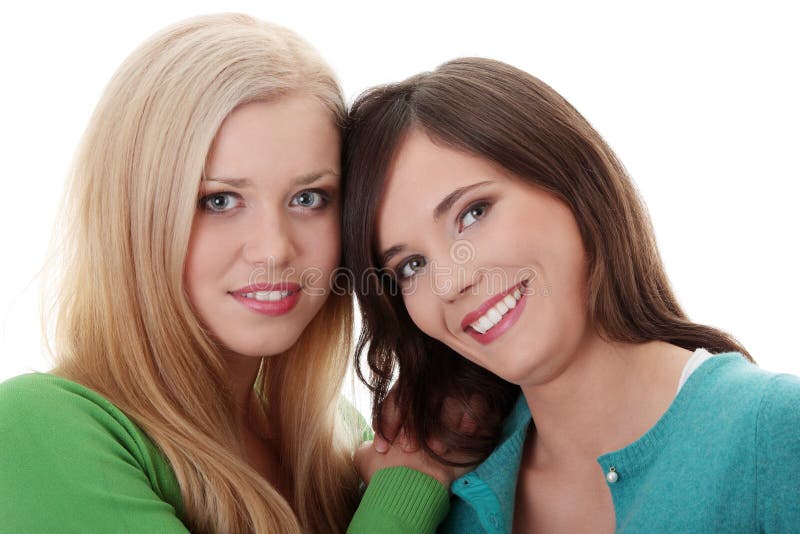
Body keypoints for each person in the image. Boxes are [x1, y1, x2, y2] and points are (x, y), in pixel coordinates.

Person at [0, 14, 443, 533]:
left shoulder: (331, 433)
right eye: (219, 199)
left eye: (308, 198)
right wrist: (410, 488)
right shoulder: (36, 428)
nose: (274, 249)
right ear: (136, 218)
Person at [342, 58, 800, 532]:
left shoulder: (775, 434)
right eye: (411, 266)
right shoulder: (436, 494)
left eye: (473, 213)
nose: (451, 282)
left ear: (570, 182)